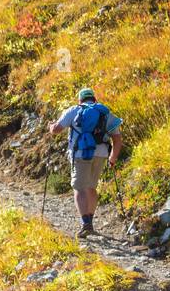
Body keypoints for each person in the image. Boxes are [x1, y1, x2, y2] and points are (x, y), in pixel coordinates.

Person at [48, 87, 123, 238]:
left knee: (79, 188)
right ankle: (89, 221)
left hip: (81, 153)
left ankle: (86, 224)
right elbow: (117, 138)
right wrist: (113, 157)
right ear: (94, 99)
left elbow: (56, 129)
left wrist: (50, 127)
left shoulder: (74, 110)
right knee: (91, 187)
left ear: (80, 100)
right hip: (101, 154)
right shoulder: (104, 112)